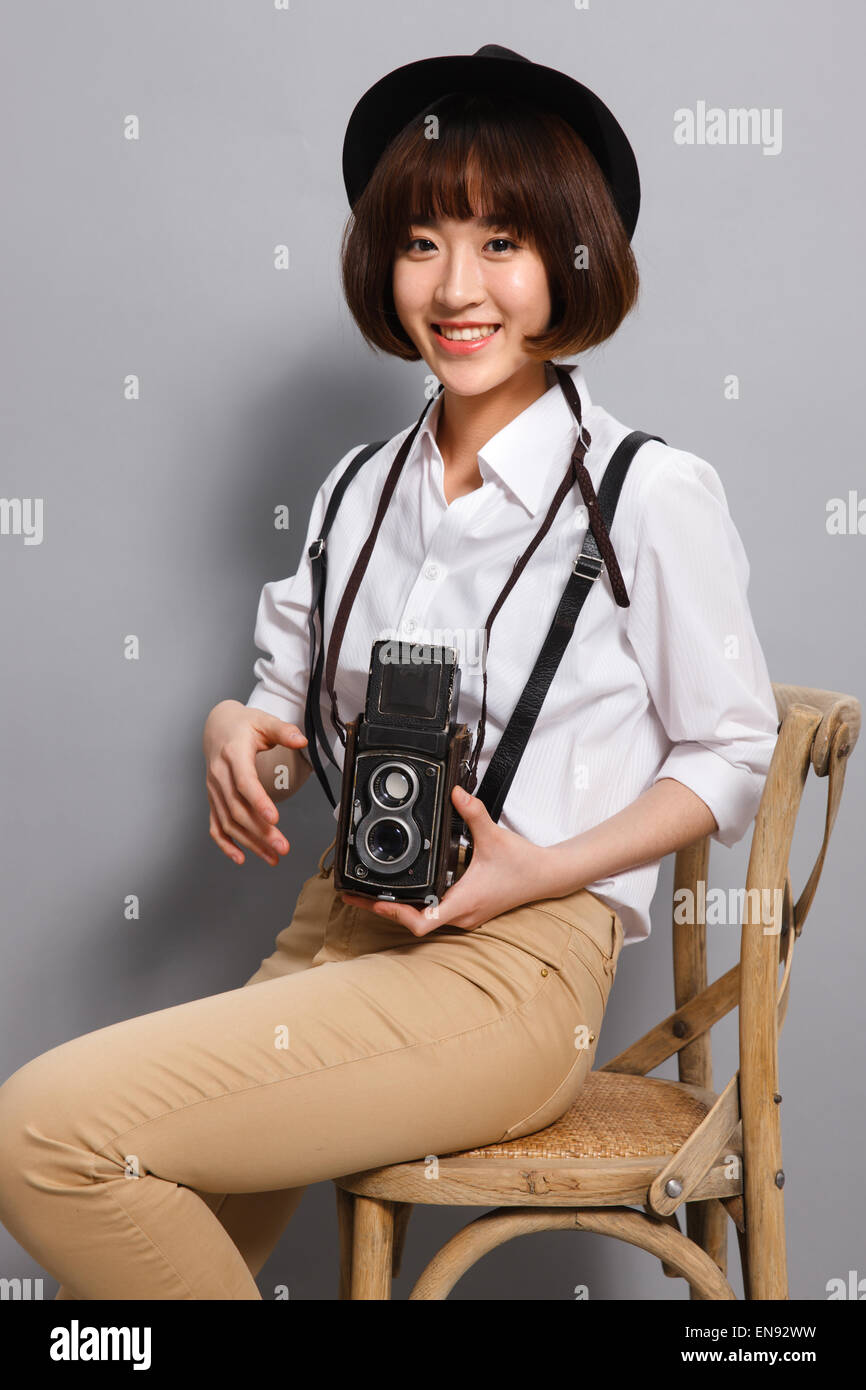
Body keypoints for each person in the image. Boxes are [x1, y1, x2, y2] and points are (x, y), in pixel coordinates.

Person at [0, 45, 778, 1300]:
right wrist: (237, 730)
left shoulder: (646, 493)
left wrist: (538, 868)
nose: (456, 288)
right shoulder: (359, 490)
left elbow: (731, 750)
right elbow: (285, 715)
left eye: (502, 242)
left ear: (570, 260)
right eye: (421, 242)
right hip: (333, 928)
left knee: (44, 1134)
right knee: (153, 1224)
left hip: (513, 972)